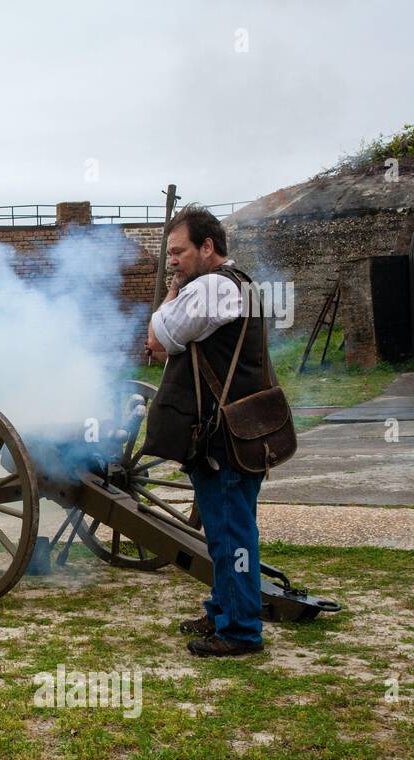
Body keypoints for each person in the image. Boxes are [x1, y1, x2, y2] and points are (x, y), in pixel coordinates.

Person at [144, 205, 276, 657]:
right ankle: (223, 610)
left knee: (230, 532)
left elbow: (159, 339)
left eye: (179, 252)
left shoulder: (215, 288)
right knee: (226, 529)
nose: (174, 261)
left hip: (223, 435)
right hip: (240, 428)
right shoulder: (238, 285)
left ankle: (239, 631)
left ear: (208, 246)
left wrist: (167, 298)